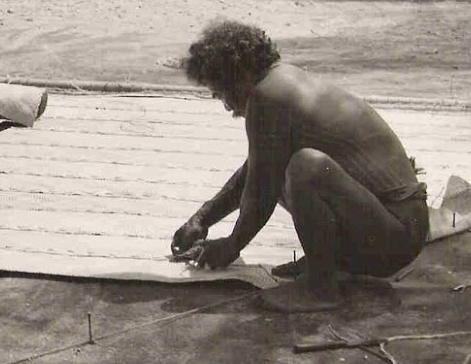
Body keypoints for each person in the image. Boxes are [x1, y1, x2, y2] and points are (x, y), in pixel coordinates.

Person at [170, 21, 428, 312]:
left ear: (238, 75)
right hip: (388, 227)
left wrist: (231, 246)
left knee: (307, 167)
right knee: (283, 165)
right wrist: (202, 218)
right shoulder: (280, 82)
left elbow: (260, 194)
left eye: (221, 93)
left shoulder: (269, 95)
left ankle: (321, 286)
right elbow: (257, 169)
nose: (228, 106)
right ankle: (329, 260)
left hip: (396, 239)